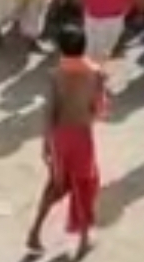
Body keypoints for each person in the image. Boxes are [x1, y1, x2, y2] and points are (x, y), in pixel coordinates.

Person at [25, 24, 107, 258]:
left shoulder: (56, 75)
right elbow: (99, 110)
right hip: (82, 136)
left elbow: (49, 111)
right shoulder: (95, 74)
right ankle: (83, 240)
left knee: (56, 184)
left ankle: (35, 231)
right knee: (84, 185)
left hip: (60, 136)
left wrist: (45, 142)